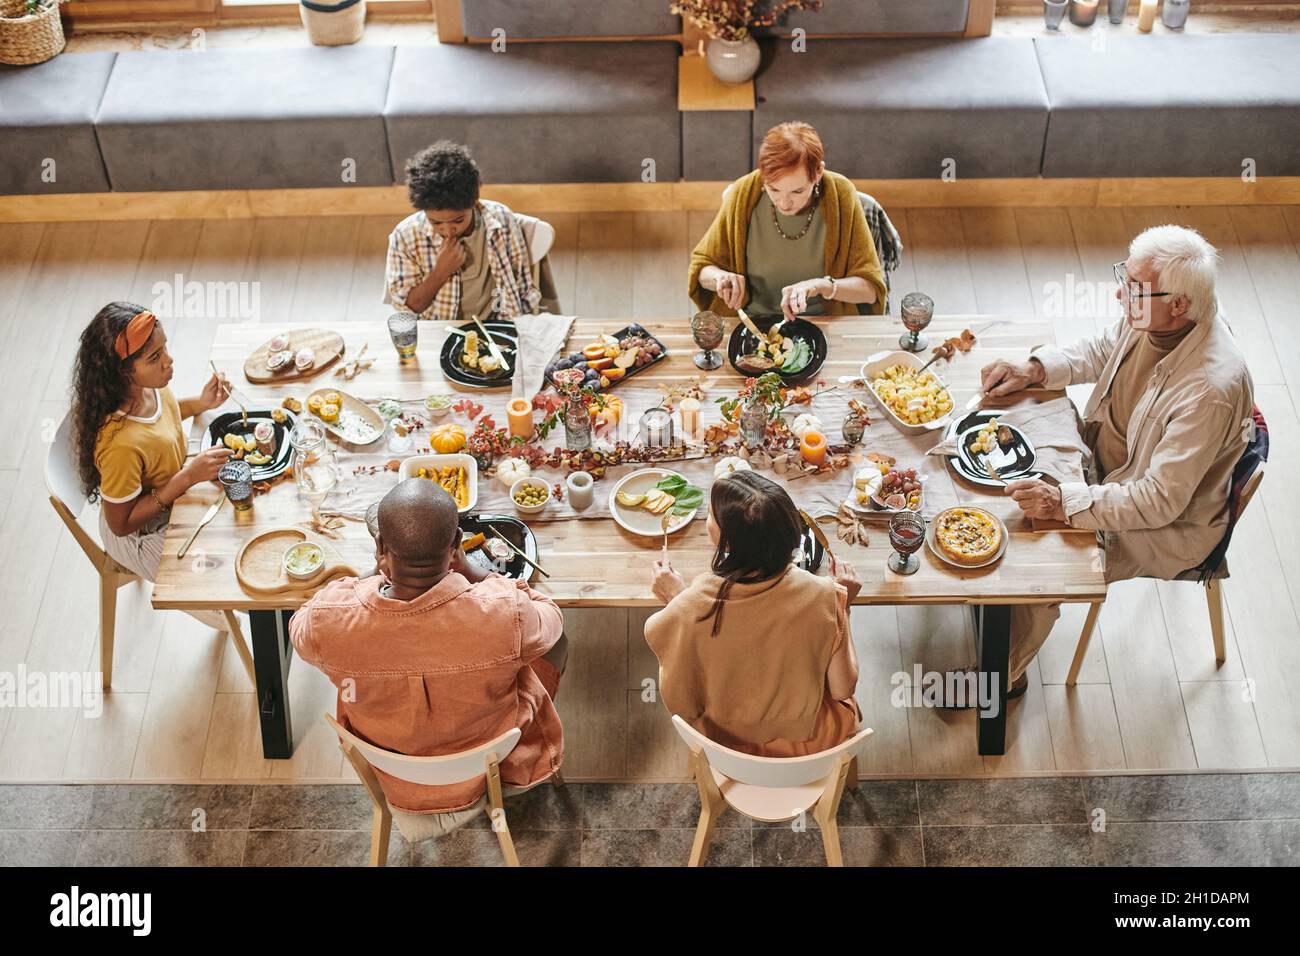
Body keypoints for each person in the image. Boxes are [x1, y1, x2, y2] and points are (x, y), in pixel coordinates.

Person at [964, 224, 1255, 700]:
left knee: (1039, 561)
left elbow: (1158, 502)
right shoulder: (1155, 317)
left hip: (1161, 522)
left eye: (1135, 287)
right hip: (1102, 463)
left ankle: (1000, 677)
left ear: (1179, 304)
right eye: (1125, 275)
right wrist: (1033, 369)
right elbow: (1102, 350)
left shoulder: (1210, 390)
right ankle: (987, 604)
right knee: (997, 441)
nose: (1120, 293)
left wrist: (1062, 502)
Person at [290, 478, 566, 839]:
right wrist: (472, 571)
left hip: (395, 775)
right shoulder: (502, 614)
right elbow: (552, 617)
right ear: (455, 545)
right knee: (553, 647)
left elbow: (300, 624)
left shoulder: (330, 620)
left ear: (380, 546)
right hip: (492, 764)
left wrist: (376, 572)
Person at [643, 471, 861, 757]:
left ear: (728, 543)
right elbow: (843, 688)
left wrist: (678, 599)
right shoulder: (825, 596)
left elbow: (681, 704)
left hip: (722, 744)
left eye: (710, 515)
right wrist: (843, 608)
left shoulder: (689, 607)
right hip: (812, 746)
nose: (706, 520)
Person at [71, 301, 233, 584]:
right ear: (122, 372)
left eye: (164, 348)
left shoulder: (147, 388)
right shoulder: (120, 446)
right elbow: (121, 524)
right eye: (155, 357)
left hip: (175, 484)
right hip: (143, 532)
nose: (168, 360)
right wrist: (187, 478)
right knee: (221, 576)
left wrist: (201, 403)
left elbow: (162, 421)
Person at [688, 121, 887, 322]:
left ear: (818, 172)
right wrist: (720, 278)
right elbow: (702, 268)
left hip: (825, 322)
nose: (784, 203)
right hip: (752, 322)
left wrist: (822, 286)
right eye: (773, 189)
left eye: (798, 191)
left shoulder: (841, 195)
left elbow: (870, 290)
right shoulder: (743, 193)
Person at [383, 140, 541, 321]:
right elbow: (408, 310)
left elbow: (522, 289)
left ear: (474, 202)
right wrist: (440, 273)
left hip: (496, 328)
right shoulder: (405, 237)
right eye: (436, 223)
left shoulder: (500, 221)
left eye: (458, 220)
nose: (448, 230)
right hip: (438, 332)